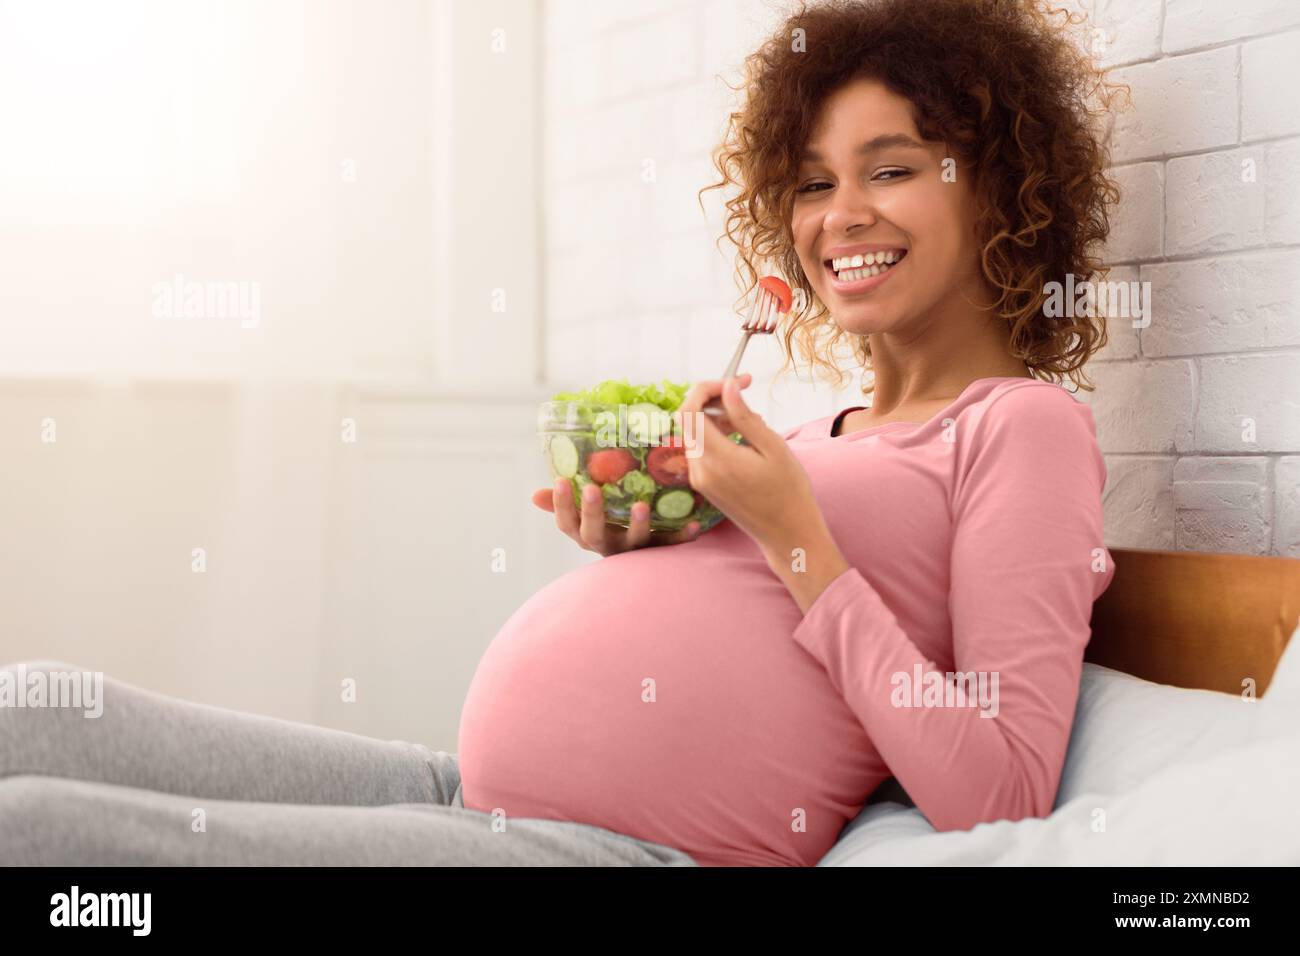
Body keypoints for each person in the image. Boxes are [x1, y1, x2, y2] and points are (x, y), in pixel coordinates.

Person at [1, 0, 1122, 866]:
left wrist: (792, 534)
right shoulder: (809, 429)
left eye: (892, 169)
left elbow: (1000, 787)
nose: (840, 215)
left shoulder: (1020, 429)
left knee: (45, 833)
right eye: (813, 182)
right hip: (466, 795)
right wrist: (649, 535)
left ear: (999, 189)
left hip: (612, 851)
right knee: (32, 711)